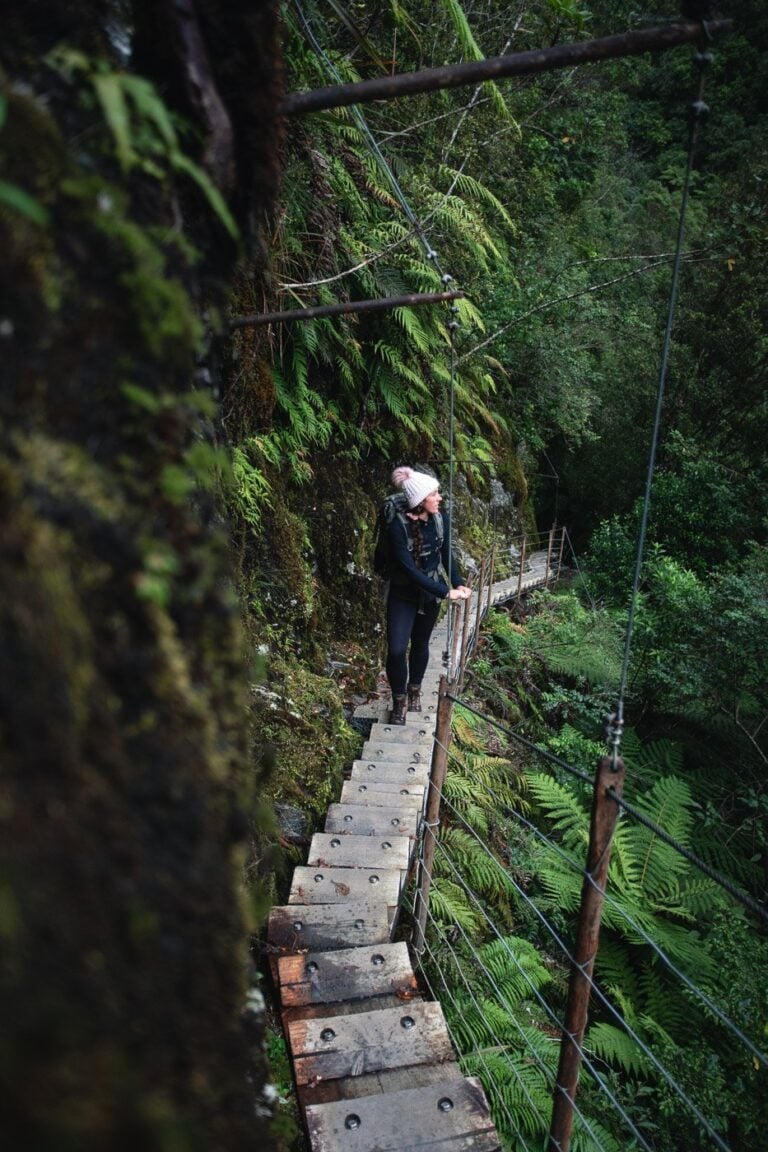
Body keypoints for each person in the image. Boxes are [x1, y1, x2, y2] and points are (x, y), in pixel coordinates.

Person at [385, 466, 471, 725]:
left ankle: (414, 690)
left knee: (421, 645)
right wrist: (446, 591)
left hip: (429, 597)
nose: (439, 498)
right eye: (434, 494)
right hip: (403, 594)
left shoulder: (440, 520)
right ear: (421, 500)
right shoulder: (397, 526)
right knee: (397, 650)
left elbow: (446, 555)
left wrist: (458, 583)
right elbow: (409, 571)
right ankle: (399, 700)